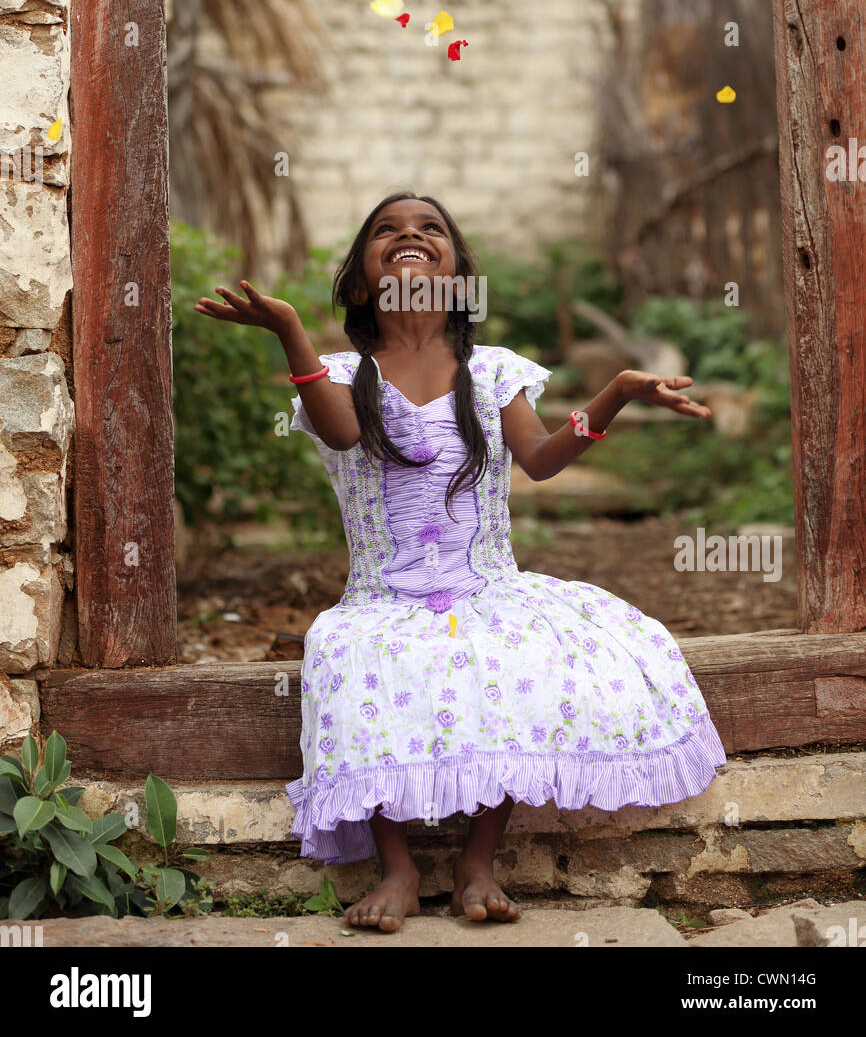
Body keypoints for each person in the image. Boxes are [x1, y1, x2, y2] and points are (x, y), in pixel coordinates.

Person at [194, 190, 726, 933]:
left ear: (458, 274)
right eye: (387, 230)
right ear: (358, 282)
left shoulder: (494, 371)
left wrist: (618, 393)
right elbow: (344, 436)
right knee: (349, 655)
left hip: (486, 589)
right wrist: (288, 330)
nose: (409, 235)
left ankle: (479, 861)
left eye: (428, 229)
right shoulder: (342, 375)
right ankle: (400, 869)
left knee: (511, 658)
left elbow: (539, 460)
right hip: (383, 598)